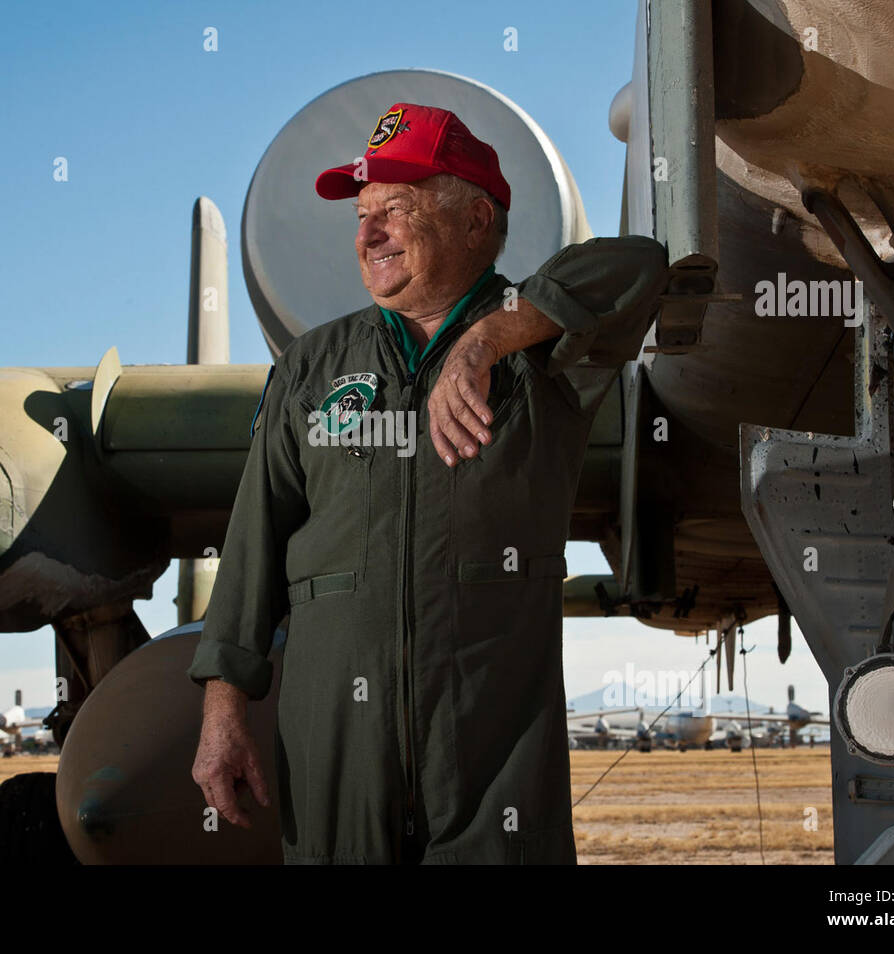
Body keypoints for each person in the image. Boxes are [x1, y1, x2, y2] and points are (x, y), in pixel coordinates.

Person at [188, 102, 668, 863]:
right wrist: (222, 711)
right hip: (335, 746)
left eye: (395, 210)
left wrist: (488, 339)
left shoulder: (548, 359)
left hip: (492, 750)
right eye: (362, 213)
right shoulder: (312, 366)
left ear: (476, 220)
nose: (367, 233)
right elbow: (253, 547)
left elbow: (642, 264)